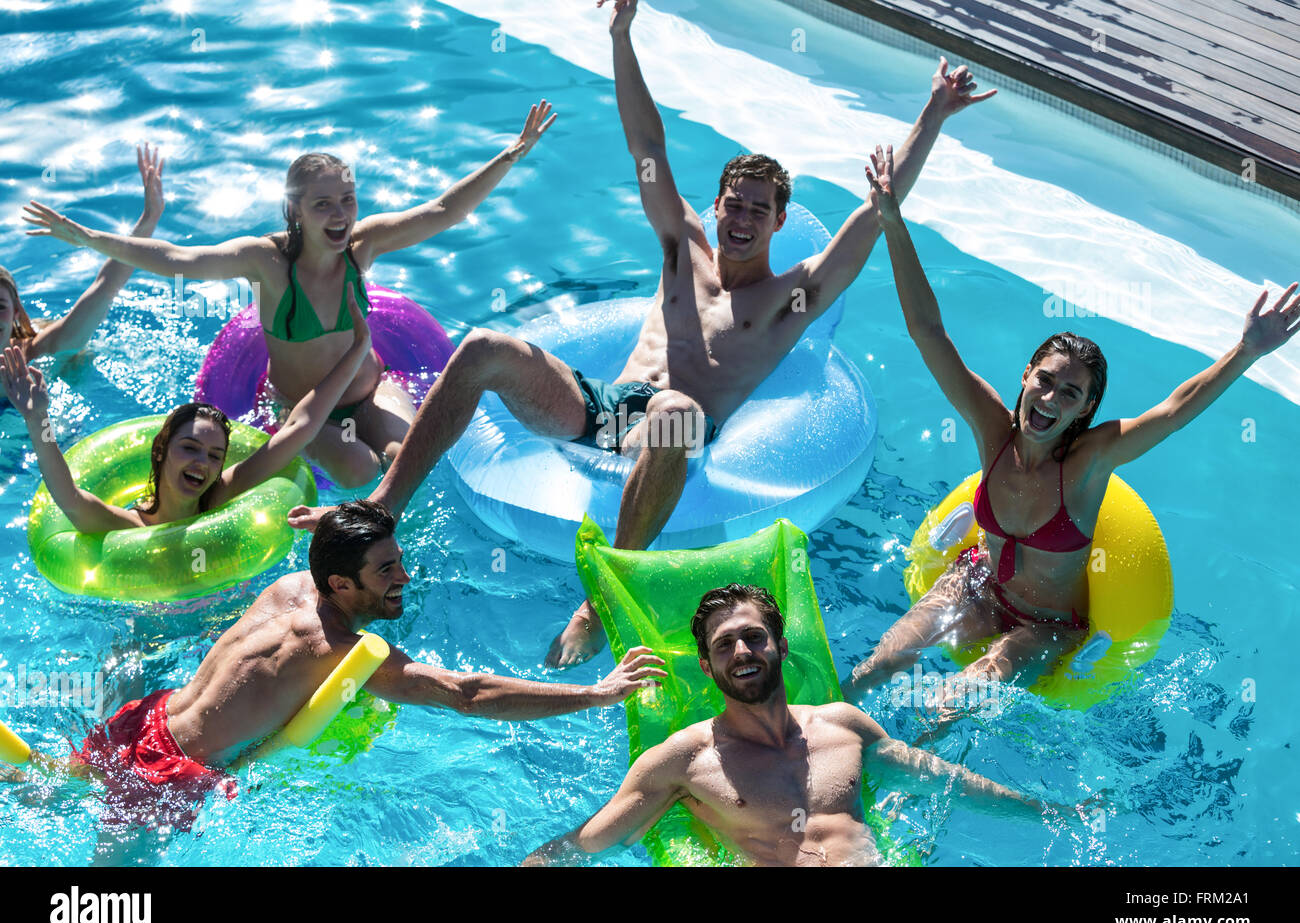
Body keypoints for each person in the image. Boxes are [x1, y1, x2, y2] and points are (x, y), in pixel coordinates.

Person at [287, 0, 997, 669]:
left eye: (758, 209)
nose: (741, 218)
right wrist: (622, 35)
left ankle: (602, 600)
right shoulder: (681, 243)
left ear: (779, 222)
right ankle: (382, 508)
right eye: (732, 203)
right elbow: (646, 144)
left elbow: (873, 218)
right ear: (714, 205)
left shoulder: (792, 298)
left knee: (675, 411)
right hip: (601, 405)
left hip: (680, 431)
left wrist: (931, 115)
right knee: (481, 350)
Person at [842, 143, 1300, 713]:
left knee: (948, 703)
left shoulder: (1089, 462)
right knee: (879, 664)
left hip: (1047, 627)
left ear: (1084, 410)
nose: (1050, 398)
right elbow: (928, 331)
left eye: (1071, 393)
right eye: (1046, 380)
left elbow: (1176, 410)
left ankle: (891, 786)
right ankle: (808, 748)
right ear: (1026, 376)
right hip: (978, 586)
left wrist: (1248, 351)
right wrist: (893, 223)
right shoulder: (994, 430)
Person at [4, 500, 666, 830]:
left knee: (49, 785)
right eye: (387, 570)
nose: (405, 578)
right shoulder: (339, 653)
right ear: (344, 586)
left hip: (141, 719)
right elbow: (466, 693)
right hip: (169, 776)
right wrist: (596, 694)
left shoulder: (289, 588)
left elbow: (330, 557)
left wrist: (336, 522)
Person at [20, 105, 558, 487]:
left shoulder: (361, 248)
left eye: (347, 200)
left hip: (371, 388)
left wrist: (510, 154)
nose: (341, 215)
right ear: (295, 209)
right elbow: (178, 260)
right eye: (323, 204)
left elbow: (444, 212)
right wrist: (87, 237)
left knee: (405, 457)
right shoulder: (267, 263)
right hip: (305, 408)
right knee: (359, 472)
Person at [523, 584, 1082, 866]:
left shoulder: (845, 727)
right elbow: (588, 843)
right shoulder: (684, 761)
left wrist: (1051, 813)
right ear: (707, 666)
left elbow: (942, 780)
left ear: (780, 647)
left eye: (754, 637)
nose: (742, 651)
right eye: (725, 645)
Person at [0, 286, 373, 532]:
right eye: (190, 447)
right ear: (160, 450)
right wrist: (37, 419)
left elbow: (301, 426)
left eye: (215, 456)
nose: (203, 463)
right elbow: (68, 497)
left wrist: (358, 350)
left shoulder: (224, 491)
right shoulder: (129, 526)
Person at [2, 145, 165, 362]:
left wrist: (148, 219)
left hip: (67, 367)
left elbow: (105, 286)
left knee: (79, 358)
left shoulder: (38, 353)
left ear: (15, 312)